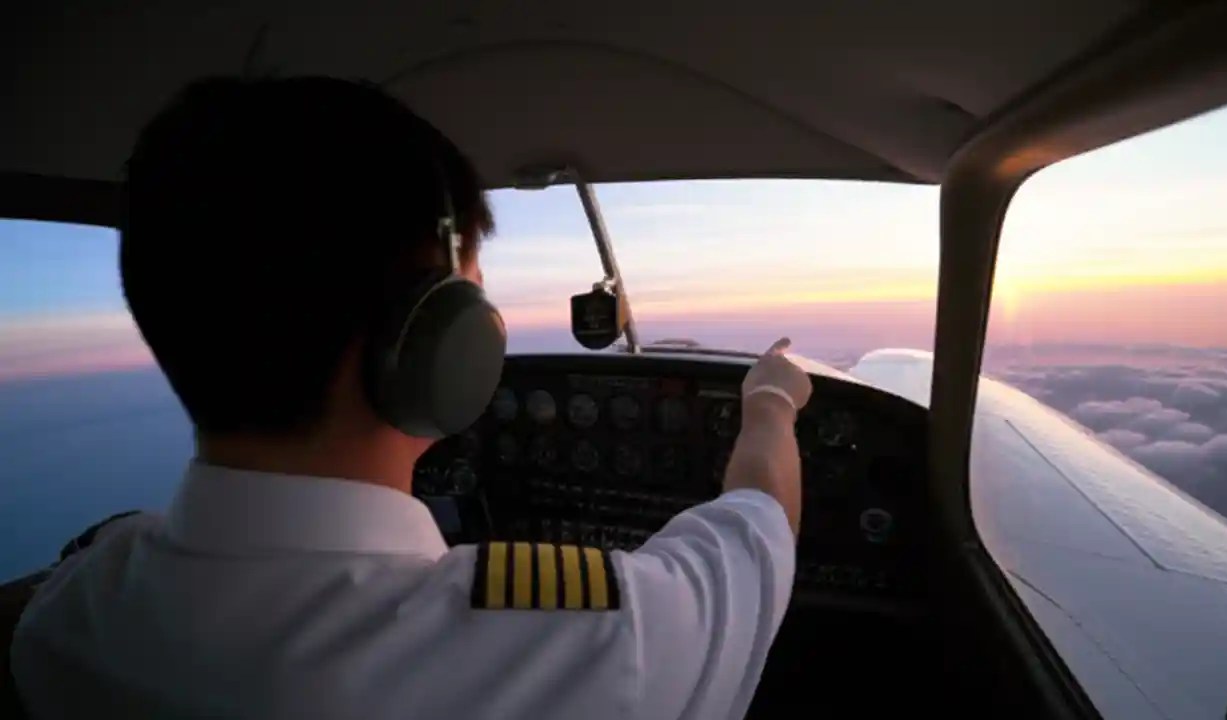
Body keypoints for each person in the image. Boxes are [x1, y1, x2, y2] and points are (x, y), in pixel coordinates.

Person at [10, 76, 813, 719]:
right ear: (438, 340)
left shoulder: (69, 612)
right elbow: (758, 530)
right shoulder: (598, 646)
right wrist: (771, 402)